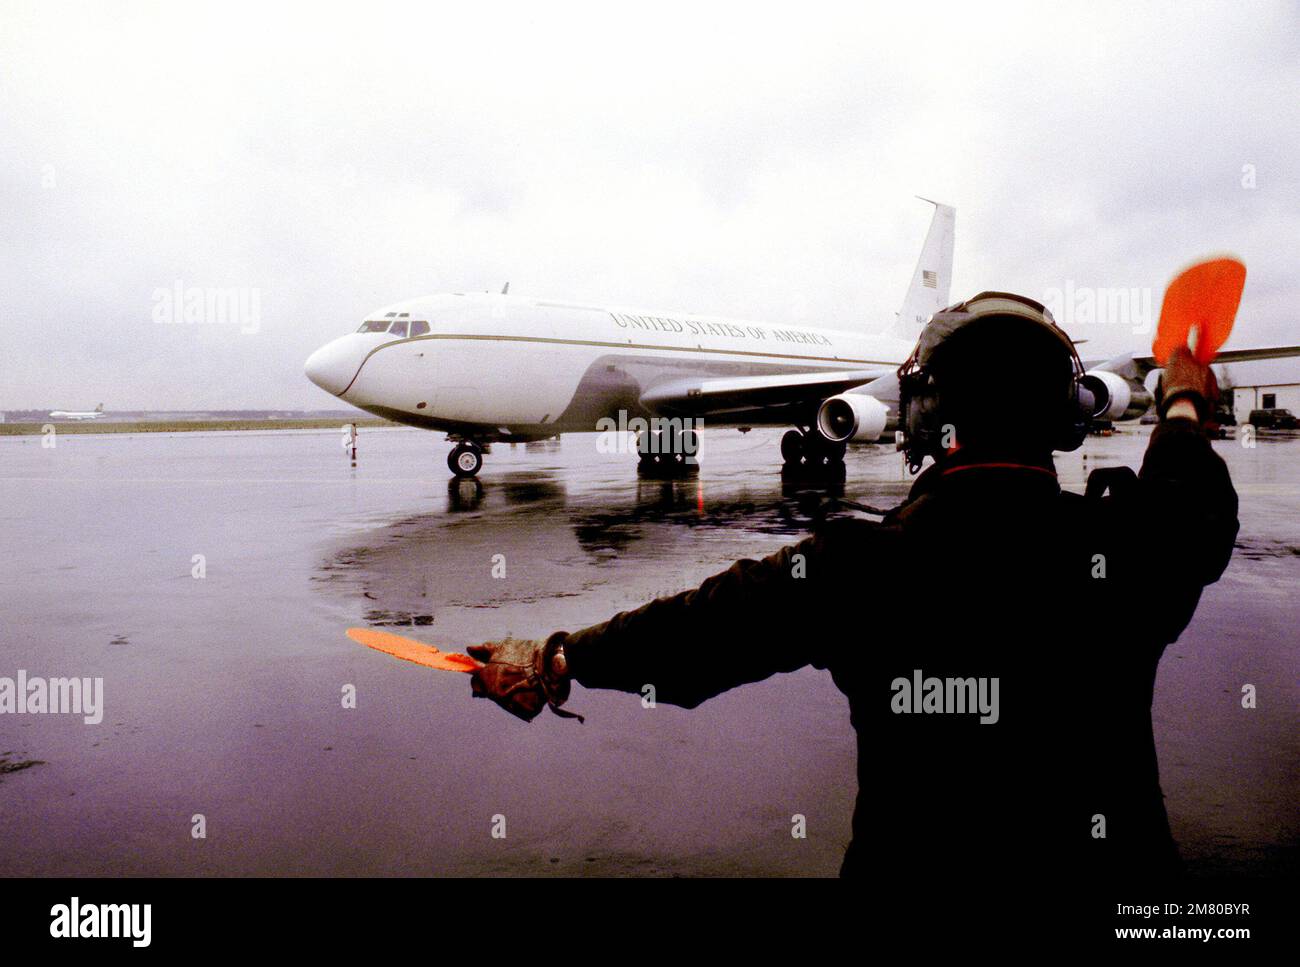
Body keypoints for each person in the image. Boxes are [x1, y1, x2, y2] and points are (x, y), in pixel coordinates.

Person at [468, 292, 1238, 880]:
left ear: (921, 410)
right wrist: (1180, 402)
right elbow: (1193, 503)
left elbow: (695, 634)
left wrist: (554, 658)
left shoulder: (859, 566)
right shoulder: (1130, 548)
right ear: (1068, 416)